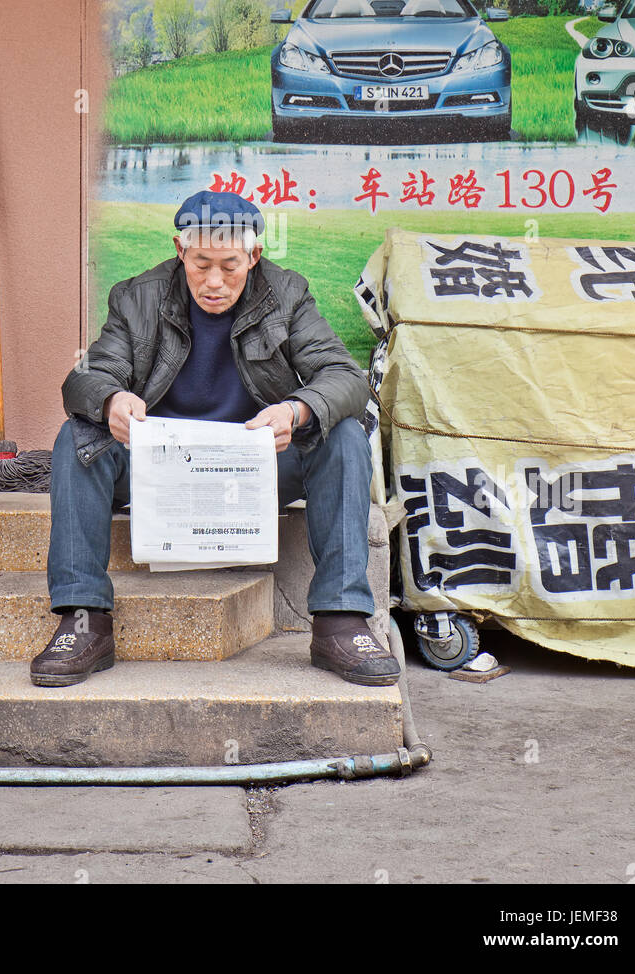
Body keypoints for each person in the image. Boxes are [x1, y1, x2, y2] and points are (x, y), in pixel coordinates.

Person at [30, 189, 399, 688]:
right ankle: (84, 620)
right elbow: (87, 377)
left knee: (343, 437)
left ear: (254, 256)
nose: (214, 282)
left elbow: (344, 377)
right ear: (180, 251)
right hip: (161, 469)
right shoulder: (136, 296)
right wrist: (112, 400)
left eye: (230, 265)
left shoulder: (287, 294)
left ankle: (340, 620)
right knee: (79, 437)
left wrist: (296, 409)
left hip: (253, 466)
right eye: (201, 263)